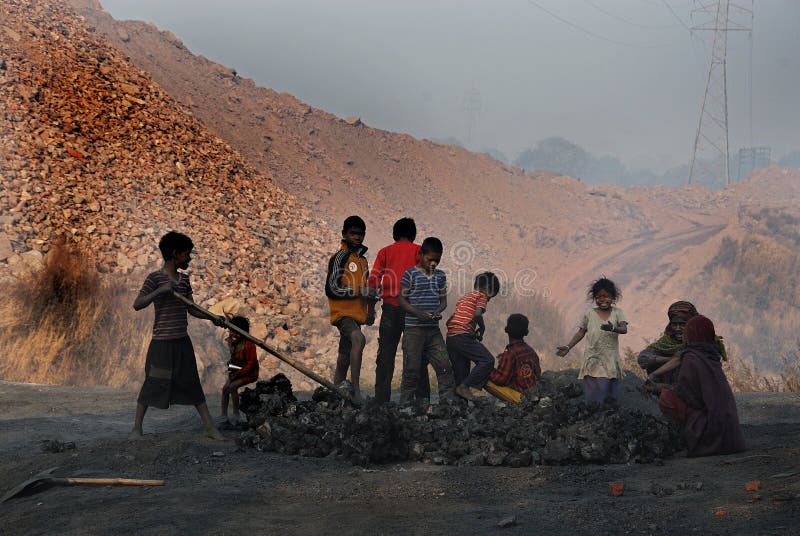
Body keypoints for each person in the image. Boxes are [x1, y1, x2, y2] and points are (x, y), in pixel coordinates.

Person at [130, 231, 226, 440]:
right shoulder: (154, 278)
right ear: (175, 254)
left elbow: (192, 309)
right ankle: (136, 429)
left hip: (182, 342)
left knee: (192, 382)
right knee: (153, 383)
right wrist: (159, 292)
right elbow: (137, 304)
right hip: (161, 344)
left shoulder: (184, 280)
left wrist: (213, 318)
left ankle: (209, 427)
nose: (189, 259)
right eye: (187, 254)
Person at [646, 315, 745, 457]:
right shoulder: (712, 354)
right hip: (730, 432)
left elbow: (689, 396)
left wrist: (659, 388)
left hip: (711, 427)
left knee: (666, 399)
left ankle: (686, 438)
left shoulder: (691, 358)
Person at [367, 218, 430, 405]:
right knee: (416, 354)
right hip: (413, 311)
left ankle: (381, 401)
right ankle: (422, 399)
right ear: (413, 234)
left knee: (386, 355)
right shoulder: (419, 252)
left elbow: (373, 282)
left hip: (390, 309)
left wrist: (370, 311)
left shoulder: (385, 252)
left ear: (395, 234)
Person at [398, 237, 455, 406]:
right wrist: (417, 313)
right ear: (421, 254)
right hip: (413, 331)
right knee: (411, 370)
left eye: (437, 260)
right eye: (430, 259)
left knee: (445, 364)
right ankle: (405, 406)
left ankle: (447, 404)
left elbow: (443, 301)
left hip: (433, 332)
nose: (433, 263)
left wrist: (438, 312)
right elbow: (402, 299)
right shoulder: (410, 274)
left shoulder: (440, 276)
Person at [325, 215, 376, 405]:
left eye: (361, 234)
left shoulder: (363, 261)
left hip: (357, 315)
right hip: (343, 313)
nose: (357, 237)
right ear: (344, 234)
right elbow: (331, 287)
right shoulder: (340, 257)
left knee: (344, 357)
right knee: (358, 339)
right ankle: (356, 390)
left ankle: (335, 393)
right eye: (353, 233)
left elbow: (366, 291)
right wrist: (358, 291)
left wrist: (370, 311)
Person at [557, 277, 628, 405]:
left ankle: (607, 416)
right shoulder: (589, 314)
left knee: (609, 392)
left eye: (606, 296)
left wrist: (613, 328)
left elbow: (624, 329)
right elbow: (581, 332)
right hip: (592, 359)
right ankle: (593, 415)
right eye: (599, 296)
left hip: (610, 359)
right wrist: (568, 347)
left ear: (613, 298)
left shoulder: (618, 313)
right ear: (595, 298)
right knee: (593, 393)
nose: (602, 300)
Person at [638, 301, 726, 385]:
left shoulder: (704, 341)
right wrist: (669, 359)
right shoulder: (667, 341)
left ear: (692, 325)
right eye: (674, 324)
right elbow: (643, 358)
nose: (677, 328)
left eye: (682, 324)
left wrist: (679, 359)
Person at [445, 272, 501, 401]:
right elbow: (477, 314)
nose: (488, 300)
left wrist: (471, 331)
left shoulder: (464, 298)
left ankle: (459, 407)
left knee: (461, 372)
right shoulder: (482, 296)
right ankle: (465, 387)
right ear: (489, 291)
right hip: (463, 336)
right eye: (490, 297)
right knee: (487, 360)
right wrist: (481, 327)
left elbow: (450, 320)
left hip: (451, 338)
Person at [484, 314, 542, 404]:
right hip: (534, 393)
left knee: (485, 380)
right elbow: (537, 374)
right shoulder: (531, 351)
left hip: (521, 397)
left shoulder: (510, 353)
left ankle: (515, 405)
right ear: (526, 332)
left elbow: (500, 380)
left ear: (506, 330)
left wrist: (488, 370)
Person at [221, 315, 259, 425]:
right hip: (236, 370)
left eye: (236, 332)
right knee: (225, 389)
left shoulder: (249, 344)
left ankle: (236, 414)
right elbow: (234, 359)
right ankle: (223, 415)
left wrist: (238, 374)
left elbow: (251, 363)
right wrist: (232, 372)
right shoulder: (232, 342)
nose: (233, 334)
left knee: (232, 387)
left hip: (249, 372)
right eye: (231, 331)